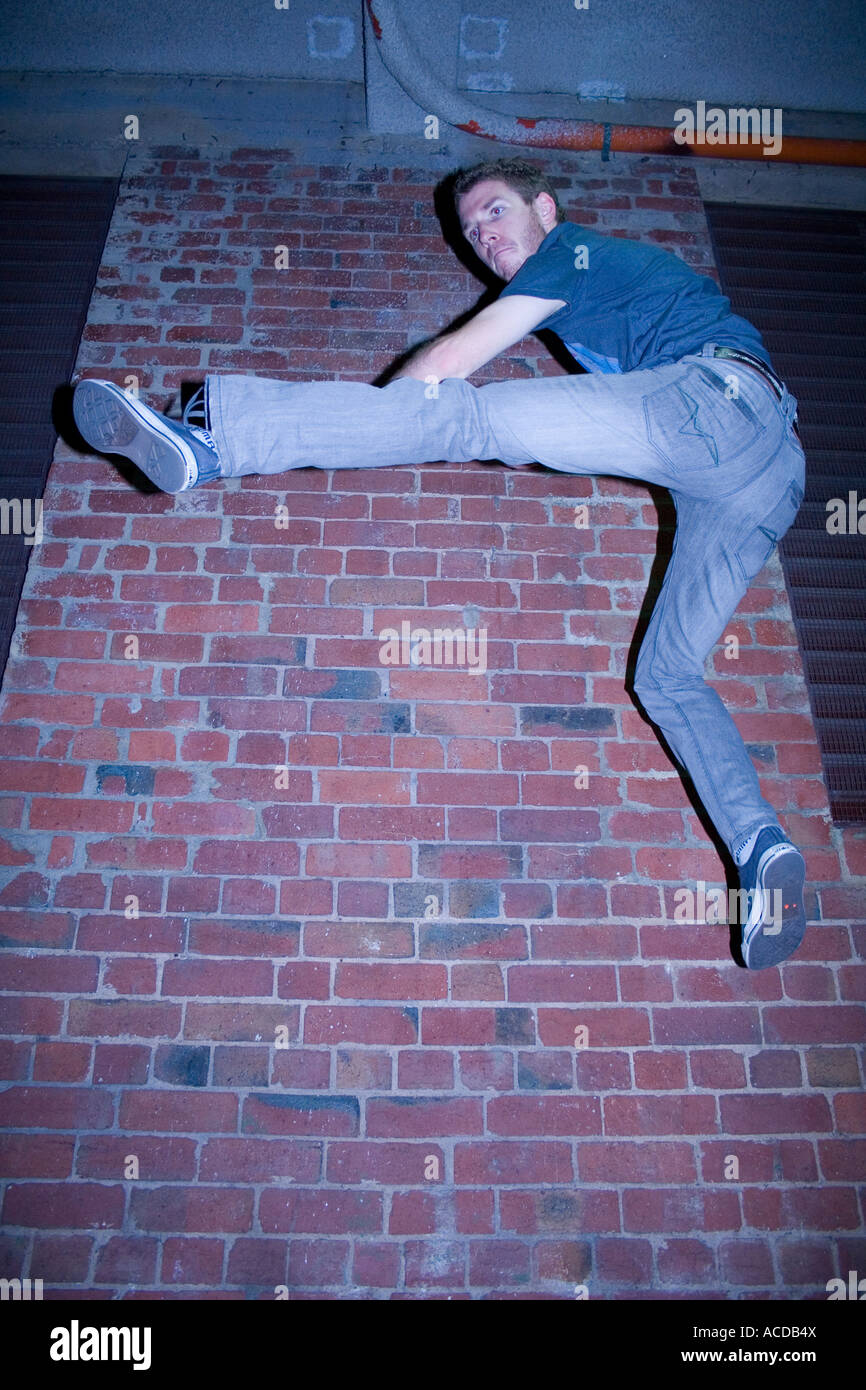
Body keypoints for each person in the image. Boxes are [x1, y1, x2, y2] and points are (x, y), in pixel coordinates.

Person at [71, 156, 808, 970]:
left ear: (546, 208)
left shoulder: (574, 252)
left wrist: (378, 422)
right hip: (766, 476)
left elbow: (451, 360)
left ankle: (217, 434)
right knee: (667, 675)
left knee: (458, 416)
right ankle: (763, 853)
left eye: (495, 213)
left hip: (714, 406)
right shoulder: (602, 292)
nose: (484, 237)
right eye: (471, 230)